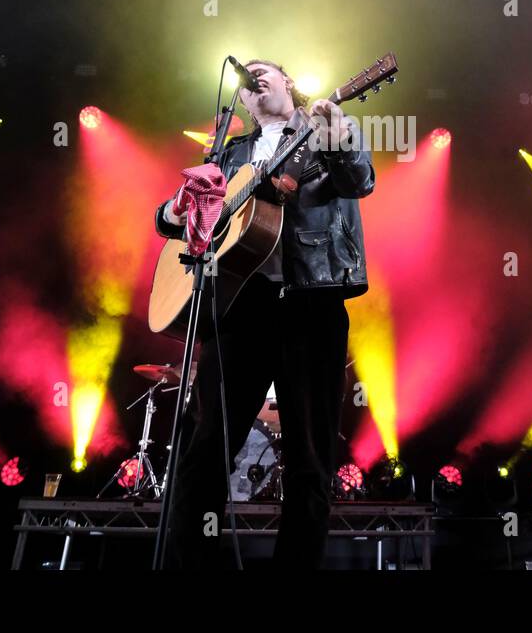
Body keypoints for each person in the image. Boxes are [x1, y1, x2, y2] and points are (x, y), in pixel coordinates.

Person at [155, 59, 373, 568]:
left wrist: (339, 134)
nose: (253, 83)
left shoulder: (323, 130)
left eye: (263, 72)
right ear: (245, 104)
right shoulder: (230, 154)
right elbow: (176, 221)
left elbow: (360, 181)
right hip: (240, 309)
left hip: (311, 302)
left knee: (310, 461)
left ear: (287, 84)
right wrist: (174, 211)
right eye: (246, 82)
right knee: (204, 448)